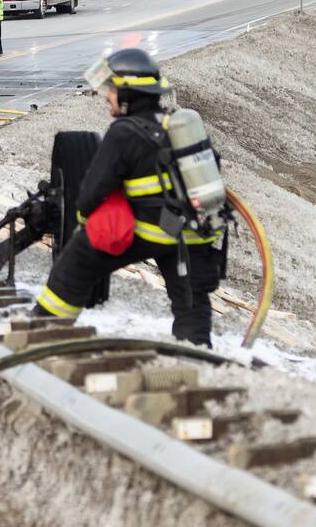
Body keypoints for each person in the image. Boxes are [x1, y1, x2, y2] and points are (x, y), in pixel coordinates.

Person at [32, 49, 226, 347]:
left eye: (110, 90)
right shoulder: (177, 125)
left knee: (75, 265)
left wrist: (84, 224)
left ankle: (42, 335)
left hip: (150, 230)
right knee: (191, 305)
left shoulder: (124, 132)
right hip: (193, 234)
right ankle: (197, 358)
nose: (106, 96)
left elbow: (90, 194)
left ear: (126, 93)